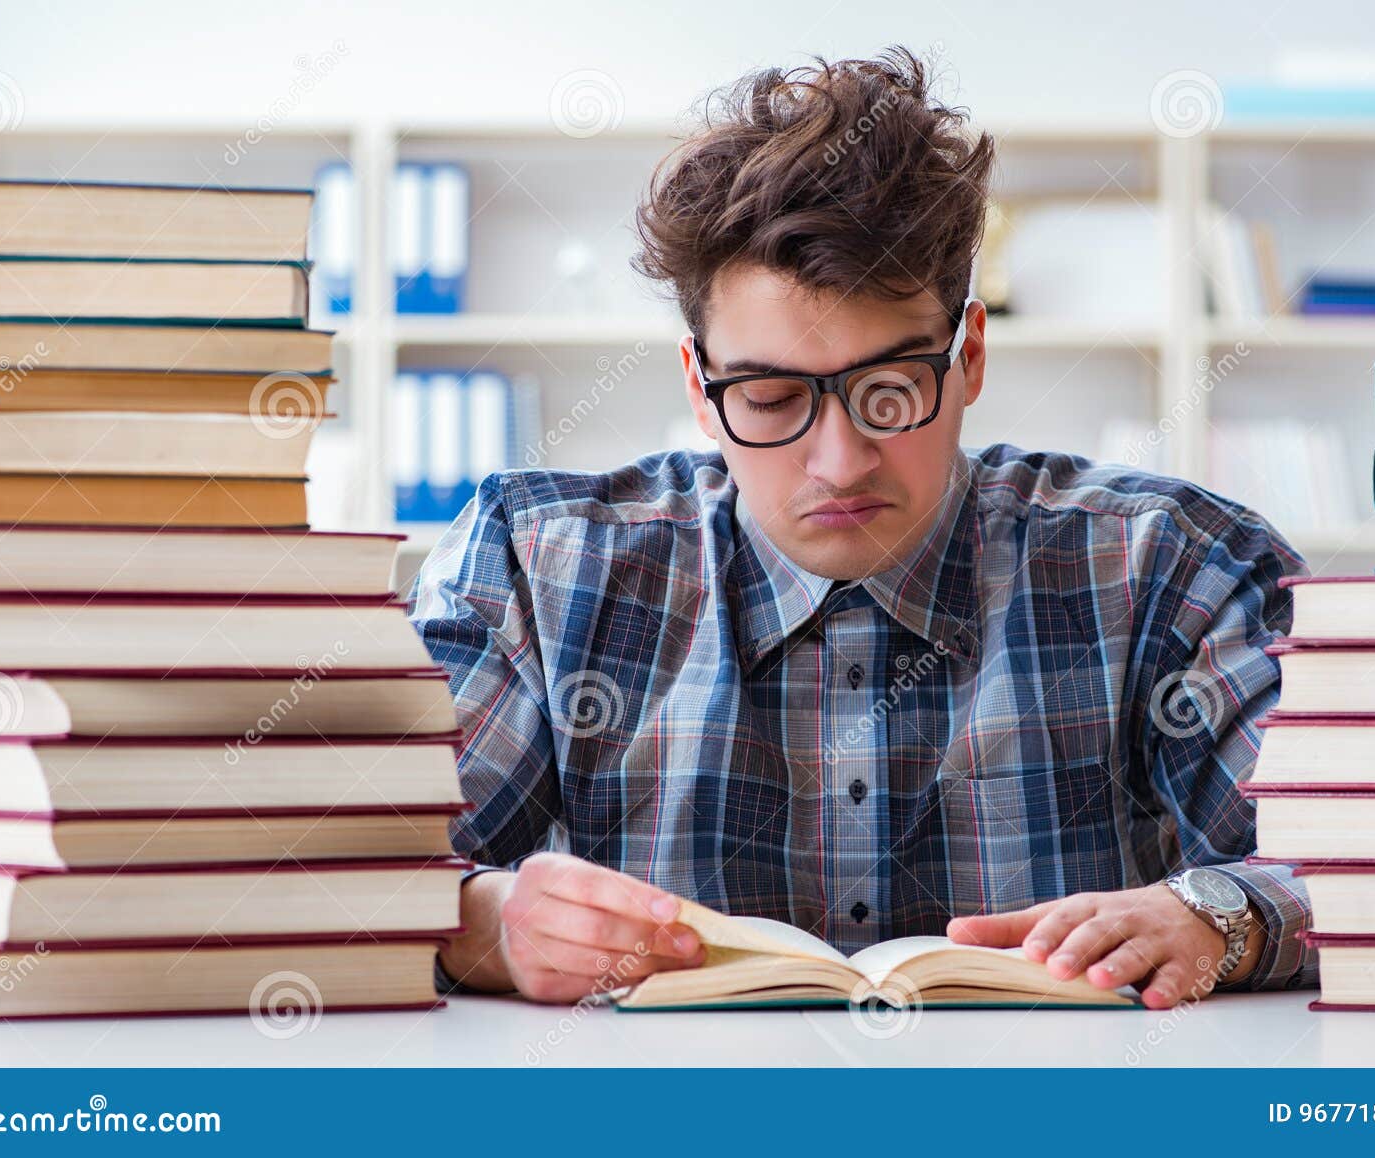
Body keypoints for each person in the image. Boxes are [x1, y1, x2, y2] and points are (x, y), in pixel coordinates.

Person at [411, 46, 1317, 1009]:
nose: (840, 463)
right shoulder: (534, 565)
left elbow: (1370, 868)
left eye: (891, 390)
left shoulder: (1174, 565)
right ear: (700, 389)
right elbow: (344, 874)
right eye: (769, 398)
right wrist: (488, 926)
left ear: (970, 356)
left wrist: (1217, 918)